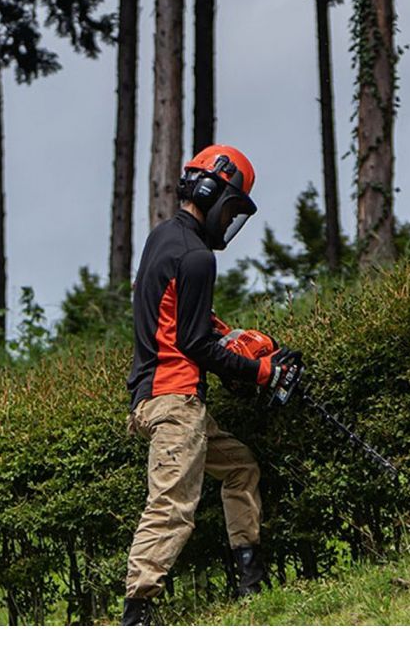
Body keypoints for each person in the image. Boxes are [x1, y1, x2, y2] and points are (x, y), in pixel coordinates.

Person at [121, 144, 296, 626]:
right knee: (172, 505)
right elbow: (194, 343)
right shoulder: (197, 256)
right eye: (233, 206)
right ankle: (136, 613)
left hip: (158, 396)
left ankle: (250, 579)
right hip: (175, 402)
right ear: (212, 191)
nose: (231, 219)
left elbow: (177, 316)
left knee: (241, 468)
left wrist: (230, 337)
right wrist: (260, 371)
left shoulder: (163, 238)